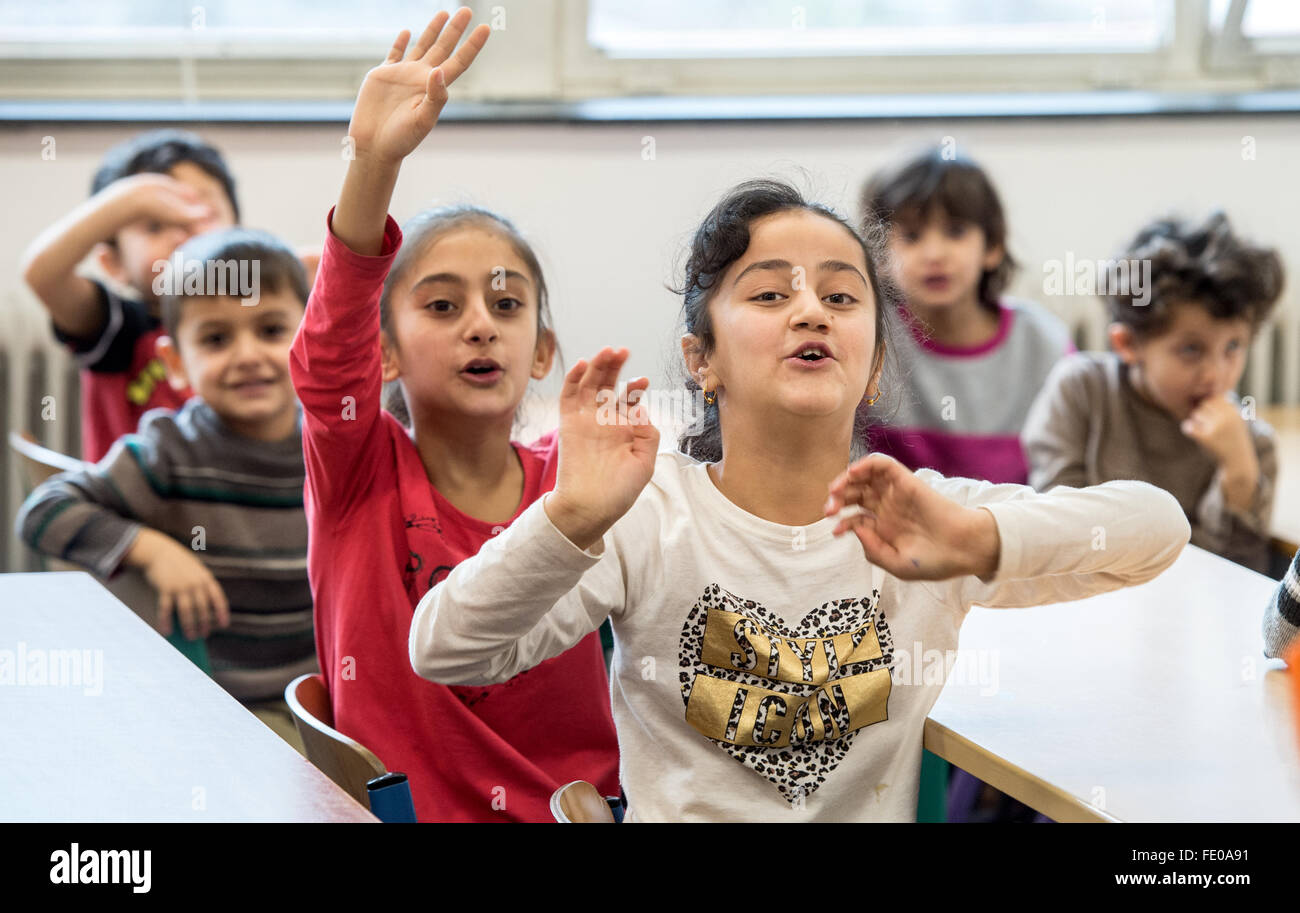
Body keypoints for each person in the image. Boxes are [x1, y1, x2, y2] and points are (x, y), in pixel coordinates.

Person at [410, 178, 1192, 822]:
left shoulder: (923, 523)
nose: (811, 309)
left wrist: (977, 541)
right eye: (769, 294)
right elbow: (444, 650)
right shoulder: (649, 512)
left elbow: (1159, 526)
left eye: (841, 297)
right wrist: (570, 516)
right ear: (702, 359)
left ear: (876, 365)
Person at [288, 7, 619, 822]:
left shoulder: (576, 486)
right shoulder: (360, 472)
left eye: (506, 304)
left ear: (541, 351)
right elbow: (329, 353)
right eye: (442, 304)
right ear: (386, 353)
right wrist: (372, 161)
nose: (480, 322)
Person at [17, 228, 316, 748]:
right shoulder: (169, 448)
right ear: (176, 364)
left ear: (308, 337)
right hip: (223, 712)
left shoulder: (333, 444)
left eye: (270, 330)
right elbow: (43, 510)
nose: (247, 355)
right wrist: (150, 550)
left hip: (325, 697)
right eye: (217, 339)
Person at [1023, 212, 1282, 574]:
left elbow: (1236, 578)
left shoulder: (1252, 443)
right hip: (1082, 606)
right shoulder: (1081, 391)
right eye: (1191, 349)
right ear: (1128, 343)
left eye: (1233, 346)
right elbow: (1057, 532)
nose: (1216, 373)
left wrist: (1237, 476)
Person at [20, 129, 239, 460]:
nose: (183, 233)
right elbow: (42, 274)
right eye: (153, 225)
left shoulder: (260, 316)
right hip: (130, 510)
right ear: (113, 263)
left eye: (201, 215)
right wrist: (130, 199)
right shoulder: (116, 325)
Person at [860, 147, 1073, 485]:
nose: (934, 254)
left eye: (955, 232)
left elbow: (1066, 474)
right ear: (881, 254)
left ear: (993, 245)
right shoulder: (867, 337)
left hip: (1013, 529)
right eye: (912, 236)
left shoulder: (1043, 342)